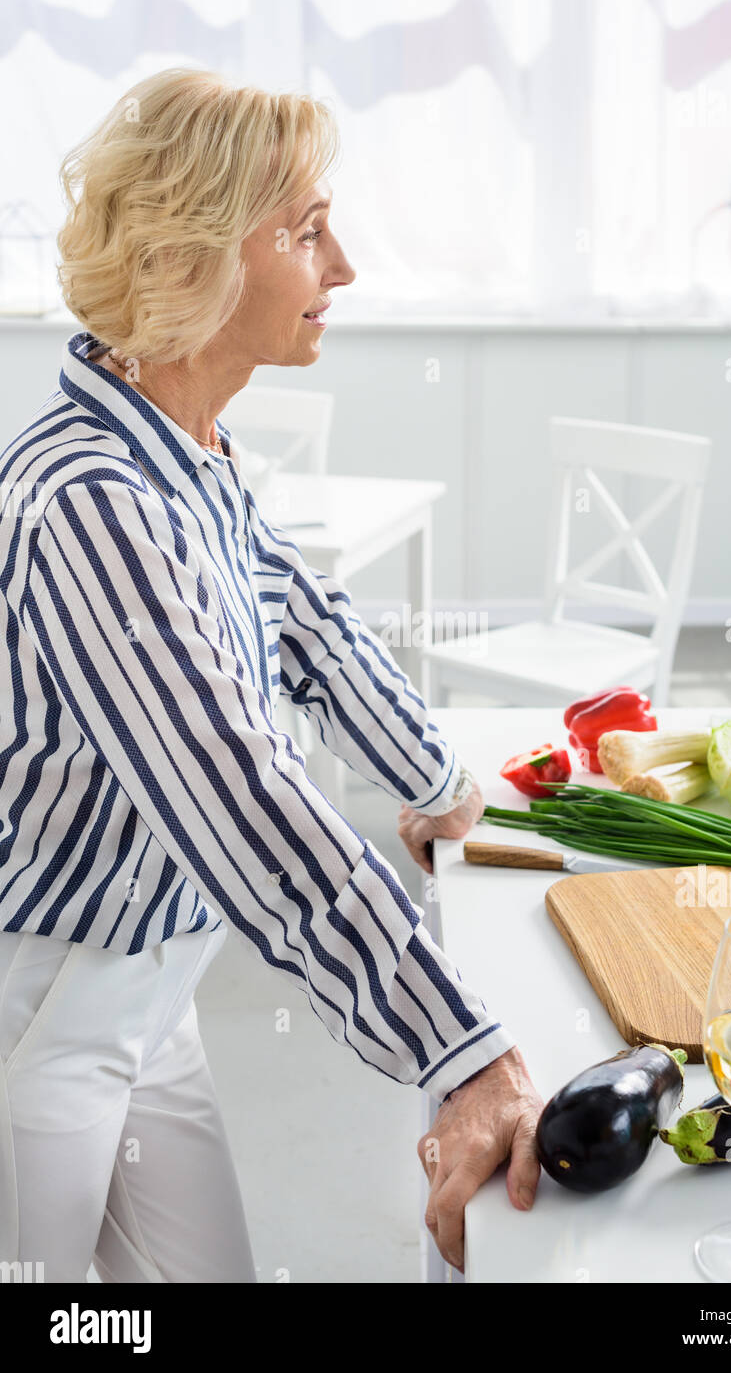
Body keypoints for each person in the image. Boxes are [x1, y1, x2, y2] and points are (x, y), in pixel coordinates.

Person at [0, 67, 543, 1283]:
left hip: (150, 994)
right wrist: (462, 1050)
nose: (341, 266)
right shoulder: (90, 501)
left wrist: (443, 781)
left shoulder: (194, 456)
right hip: (40, 1009)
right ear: (193, 258)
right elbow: (243, 802)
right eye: (304, 232)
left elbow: (306, 623)